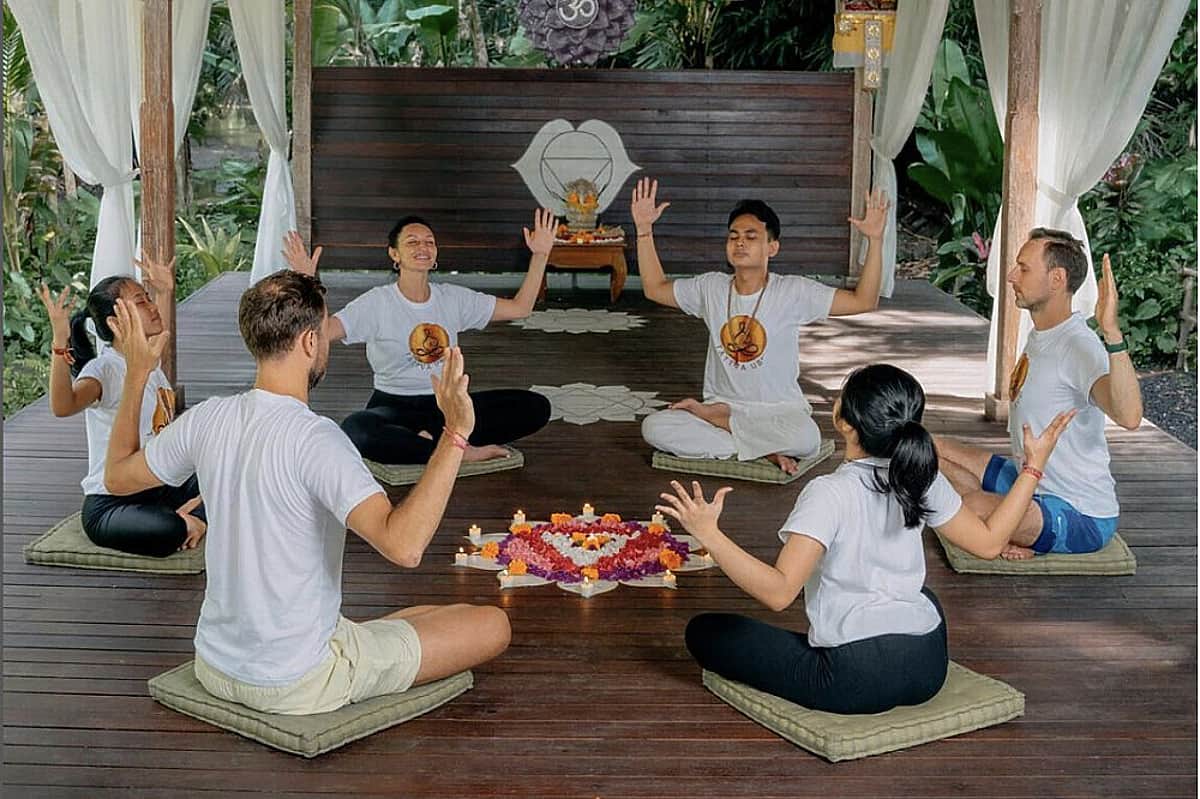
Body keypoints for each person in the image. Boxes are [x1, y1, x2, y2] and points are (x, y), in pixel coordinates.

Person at [103, 270, 510, 715]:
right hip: (301, 681)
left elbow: (117, 477)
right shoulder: (317, 439)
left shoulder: (208, 418)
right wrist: (455, 433)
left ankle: (344, 642)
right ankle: (345, 657)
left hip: (215, 665)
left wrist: (137, 373)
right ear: (310, 343)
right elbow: (405, 546)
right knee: (492, 623)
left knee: (423, 617)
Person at [656, 363, 1075, 715]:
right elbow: (988, 544)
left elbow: (780, 592)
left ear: (843, 421)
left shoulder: (828, 492)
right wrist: (1032, 469)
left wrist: (709, 533)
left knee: (706, 631)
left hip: (851, 681)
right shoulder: (921, 476)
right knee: (923, 596)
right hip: (929, 666)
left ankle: (823, 650)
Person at [634, 177, 892, 474]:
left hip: (778, 412)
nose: (739, 242)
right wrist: (644, 231)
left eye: (751, 236)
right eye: (733, 236)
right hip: (723, 405)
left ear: (773, 247)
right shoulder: (711, 287)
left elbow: (864, 301)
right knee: (655, 427)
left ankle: (729, 433)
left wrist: (875, 240)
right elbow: (654, 288)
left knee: (807, 438)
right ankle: (762, 449)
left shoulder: (793, 291)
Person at [281, 210, 556, 466]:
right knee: (357, 431)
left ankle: (427, 444)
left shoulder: (453, 298)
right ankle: (458, 451)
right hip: (392, 406)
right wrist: (308, 283)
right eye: (412, 242)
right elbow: (323, 333)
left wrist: (541, 255)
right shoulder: (376, 303)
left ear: (435, 254)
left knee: (535, 407)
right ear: (394, 254)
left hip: (447, 405)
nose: (422, 247)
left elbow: (520, 308)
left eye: (429, 242)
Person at [935, 230, 1142, 560]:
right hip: (1030, 481)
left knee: (965, 507)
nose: (1012, 276)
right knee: (928, 449)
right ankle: (1008, 523)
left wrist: (1112, 334)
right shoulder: (1043, 334)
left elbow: (1129, 416)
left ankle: (1011, 524)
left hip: (1081, 512)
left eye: (1024, 268)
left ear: (1057, 279)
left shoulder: (1079, 345)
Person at [38, 260, 205, 557]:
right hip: (112, 502)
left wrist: (165, 292)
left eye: (149, 299)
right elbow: (63, 407)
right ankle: (183, 523)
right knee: (170, 529)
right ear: (117, 320)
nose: (151, 306)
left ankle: (191, 520)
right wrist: (59, 340)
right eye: (141, 301)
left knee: (227, 483)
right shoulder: (104, 370)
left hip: (159, 485)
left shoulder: (148, 358)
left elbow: (158, 331)